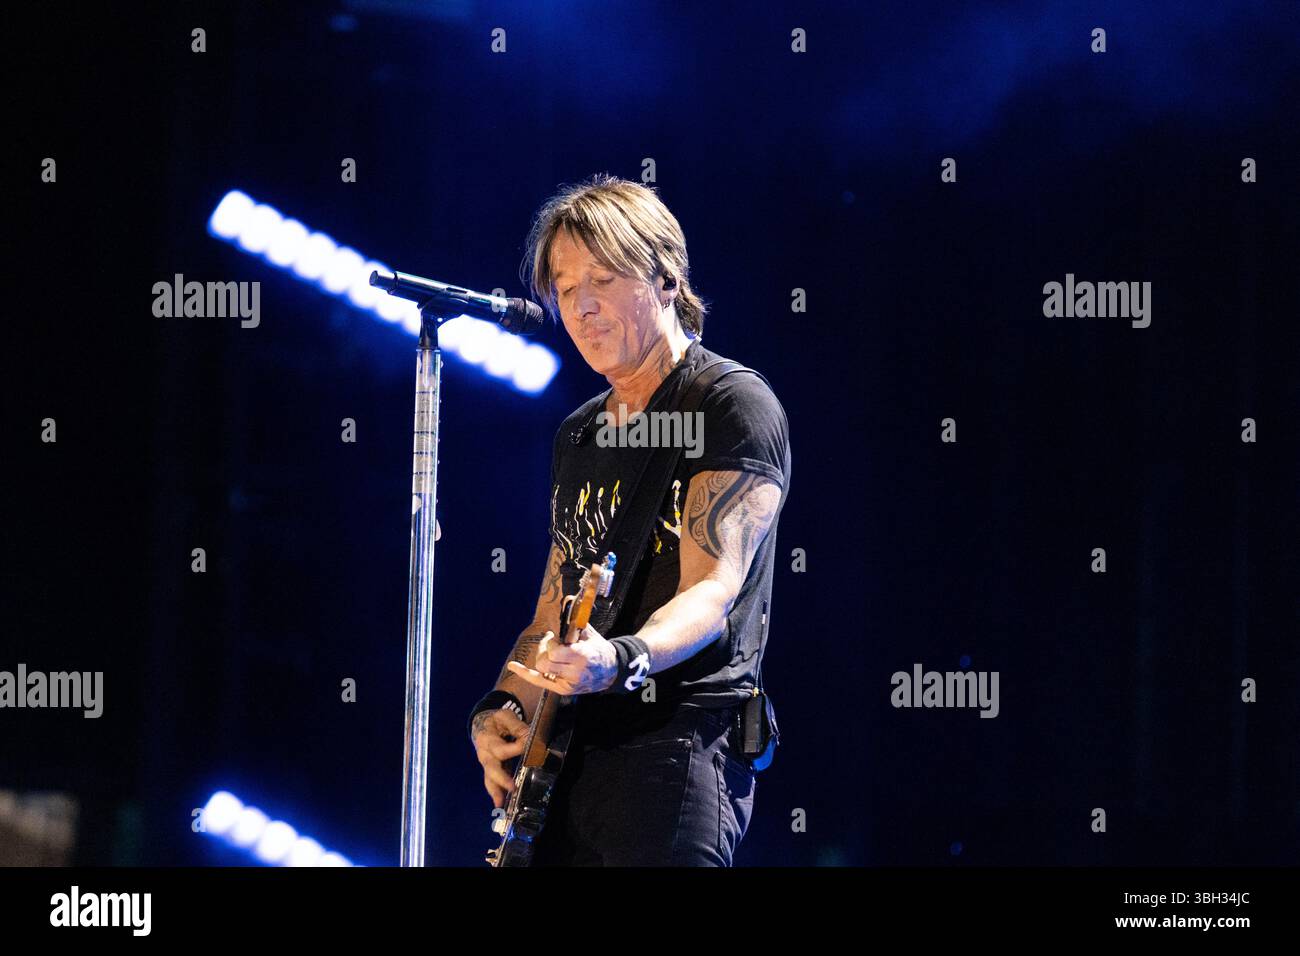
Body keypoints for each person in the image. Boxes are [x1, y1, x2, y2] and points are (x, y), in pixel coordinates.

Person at [467, 174, 791, 866]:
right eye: (564, 286)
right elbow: (552, 610)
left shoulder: (729, 404)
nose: (580, 306)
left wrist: (621, 660)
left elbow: (714, 586)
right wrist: (506, 706)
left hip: (676, 745)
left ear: (668, 279)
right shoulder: (579, 435)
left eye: (604, 279)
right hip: (571, 757)